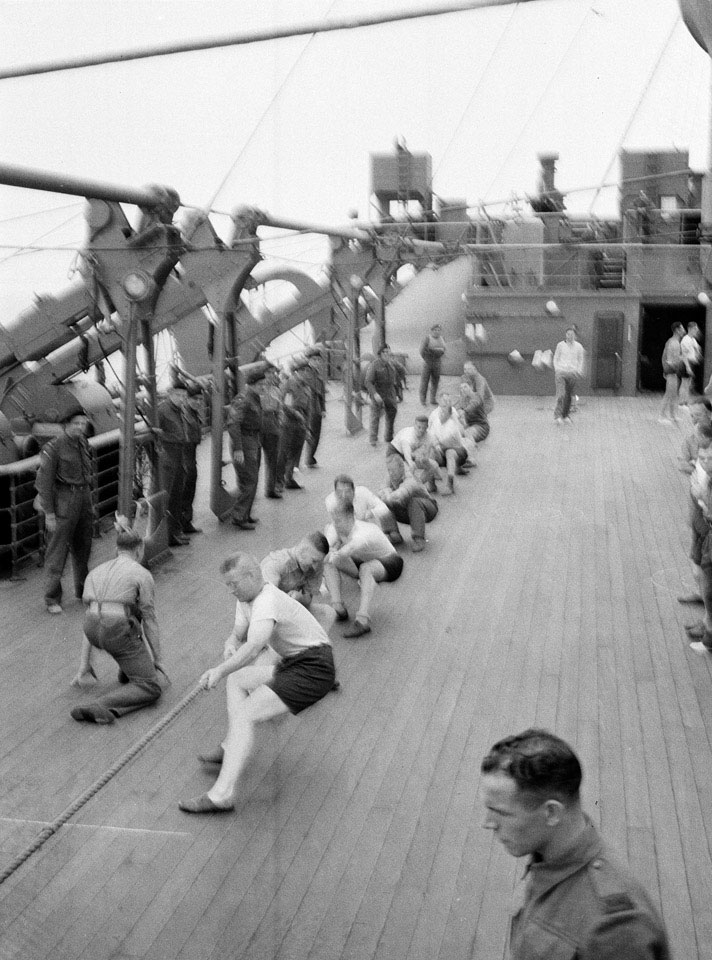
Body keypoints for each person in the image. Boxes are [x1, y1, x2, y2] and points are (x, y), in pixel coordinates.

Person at [480, 728, 671, 959]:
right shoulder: (547, 857)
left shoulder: (614, 927)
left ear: (551, 812)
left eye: (500, 812)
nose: (488, 823)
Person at [179, 553, 337, 813]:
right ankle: (232, 746)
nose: (230, 590)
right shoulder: (246, 599)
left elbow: (254, 648)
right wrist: (230, 643)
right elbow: (239, 634)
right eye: (227, 585)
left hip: (313, 668)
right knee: (238, 680)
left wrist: (218, 670)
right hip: (294, 663)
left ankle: (222, 795)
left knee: (245, 714)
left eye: (234, 584)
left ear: (252, 576)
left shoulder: (267, 599)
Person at [70, 528, 164, 724]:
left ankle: (128, 670)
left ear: (117, 549)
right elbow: (150, 619)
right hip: (117, 632)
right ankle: (101, 704)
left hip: (93, 629)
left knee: (118, 613)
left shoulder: (95, 572)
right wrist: (158, 659)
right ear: (139, 549)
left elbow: (93, 615)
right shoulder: (141, 573)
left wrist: (84, 665)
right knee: (150, 686)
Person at [35, 408, 94, 614]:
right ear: (66, 425)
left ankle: (83, 589)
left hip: (83, 498)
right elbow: (43, 483)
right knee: (57, 550)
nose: (80, 427)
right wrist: (49, 513)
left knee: (83, 546)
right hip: (64, 500)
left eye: (82, 423)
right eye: (76, 424)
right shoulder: (53, 447)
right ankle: (52, 598)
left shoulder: (83, 443)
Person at [323, 502, 404, 638]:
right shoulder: (335, 527)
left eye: (339, 520)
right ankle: (338, 607)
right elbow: (325, 548)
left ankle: (362, 621)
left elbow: (348, 550)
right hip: (363, 562)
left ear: (350, 518)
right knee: (330, 562)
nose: (335, 524)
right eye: (333, 520)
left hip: (391, 562)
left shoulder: (363, 532)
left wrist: (332, 553)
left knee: (366, 568)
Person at [261, 532, 336, 631]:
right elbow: (266, 603)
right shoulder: (276, 564)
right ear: (301, 552)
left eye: (319, 561)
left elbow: (308, 599)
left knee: (328, 613)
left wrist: (300, 597)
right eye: (314, 561)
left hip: (286, 609)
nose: (316, 566)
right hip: (265, 614)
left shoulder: (316, 564)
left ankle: (315, 644)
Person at [226, 368, 263, 530]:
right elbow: (233, 424)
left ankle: (245, 513)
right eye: (260, 384)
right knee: (248, 480)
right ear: (251, 384)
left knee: (252, 479)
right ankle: (239, 516)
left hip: (253, 441)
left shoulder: (254, 398)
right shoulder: (242, 400)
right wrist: (238, 449)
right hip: (244, 442)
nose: (263, 387)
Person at [378, 455, 438, 552]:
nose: (391, 473)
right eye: (389, 470)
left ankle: (419, 538)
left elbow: (401, 493)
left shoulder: (410, 478)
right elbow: (381, 491)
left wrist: (387, 494)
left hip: (428, 508)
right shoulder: (389, 477)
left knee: (413, 502)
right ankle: (393, 534)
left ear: (401, 468)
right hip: (406, 510)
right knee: (382, 503)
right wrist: (385, 493)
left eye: (393, 470)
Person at [156, 384, 190, 545]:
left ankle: (176, 531)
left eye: (184, 396)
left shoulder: (178, 410)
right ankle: (168, 535)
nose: (182, 399)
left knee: (177, 494)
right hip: (167, 457)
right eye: (178, 395)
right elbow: (155, 433)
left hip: (179, 455)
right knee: (168, 497)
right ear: (169, 394)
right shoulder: (162, 410)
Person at [325, 473, 400, 543]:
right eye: (339, 492)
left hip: (365, 527)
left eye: (347, 491)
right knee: (331, 539)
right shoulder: (330, 502)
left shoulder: (363, 492)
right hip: (346, 531)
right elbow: (338, 527)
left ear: (354, 490)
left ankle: (390, 533)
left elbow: (384, 508)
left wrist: (371, 513)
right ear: (335, 492)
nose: (343, 495)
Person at [428, 392, 471, 496]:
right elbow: (431, 435)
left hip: (458, 451)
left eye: (444, 412)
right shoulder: (435, 417)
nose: (441, 414)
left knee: (450, 452)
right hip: (441, 450)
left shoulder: (452, 423)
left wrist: (438, 445)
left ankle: (450, 485)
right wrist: (434, 445)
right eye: (441, 412)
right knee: (431, 452)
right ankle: (431, 484)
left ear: (449, 414)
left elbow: (450, 441)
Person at [277, 360, 311, 490]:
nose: (307, 374)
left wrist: (307, 427)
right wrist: (294, 413)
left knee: (295, 452)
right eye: (305, 371)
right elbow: (281, 402)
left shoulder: (306, 387)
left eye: (308, 372)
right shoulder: (289, 383)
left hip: (300, 423)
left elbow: (308, 409)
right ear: (299, 372)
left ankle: (288, 478)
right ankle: (278, 482)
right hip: (287, 421)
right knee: (283, 452)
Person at [364, 343, 405, 447]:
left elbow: (401, 371)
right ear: (380, 353)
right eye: (384, 352)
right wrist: (374, 394)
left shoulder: (391, 363)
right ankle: (373, 439)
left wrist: (397, 389)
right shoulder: (374, 365)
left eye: (388, 351)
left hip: (390, 392)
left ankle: (389, 436)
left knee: (392, 413)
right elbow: (368, 382)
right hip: (379, 392)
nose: (387, 354)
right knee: (375, 416)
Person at [388, 414, 441, 493]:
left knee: (433, 465)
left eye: (424, 428)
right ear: (414, 426)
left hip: (410, 454)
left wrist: (435, 450)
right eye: (419, 427)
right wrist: (410, 463)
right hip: (395, 452)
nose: (421, 430)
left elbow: (434, 449)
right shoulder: (408, 436)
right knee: (403, 475)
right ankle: (399, 490)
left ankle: (417, 487)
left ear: (427, 427)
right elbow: (407, 452)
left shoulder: (429, 436)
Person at [180, 381, 204, 535]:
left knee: (189, 489)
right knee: (185, 490)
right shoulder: (184, 414)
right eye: (195, 399)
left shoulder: (192, 413)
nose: (198, 402)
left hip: (191, 455)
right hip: (184, 456)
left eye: (200, 399)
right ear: (187, 399)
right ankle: (182, 524)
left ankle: (186, 522)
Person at [258, 363, 283, 499]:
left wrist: (279, 424)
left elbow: (279, 409)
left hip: (272, 424)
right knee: (254, 461)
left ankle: (270, 489)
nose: (271, 376)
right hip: (257, 424)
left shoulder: (276, 390)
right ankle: (250, 493)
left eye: (273, 373)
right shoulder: (255, 390)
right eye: (268, 373)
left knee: (272, 458)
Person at [553, 327, 585, 424]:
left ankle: (565, 415)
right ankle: (557, 415)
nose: (570, 336)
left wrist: (578, 370)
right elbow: (556, 358)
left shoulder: (579, 347)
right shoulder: (560, 345)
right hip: (561, 373)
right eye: (568, 334)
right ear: (565, 335)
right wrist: (557, 369)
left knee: (569, 396)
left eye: (572, 334)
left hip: (572, 373)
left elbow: (581, 359)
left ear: (575, 336)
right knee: (561, 394)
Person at [302, 347, 327, 468]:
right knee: (312, 433)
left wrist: (323, 409)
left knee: (316, 433)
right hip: (309, 407)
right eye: (314, 359)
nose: (317, 362)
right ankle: (308, 458)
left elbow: (321, 394)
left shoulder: (317, 374)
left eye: (318, 360)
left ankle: (310, 457)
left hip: (317, 407)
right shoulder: (307, 374)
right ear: (309, 360)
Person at [659, 322, 685, 424]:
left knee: (673, 394)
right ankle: (661, 416)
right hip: (671, 371)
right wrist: (680, 361)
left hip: (672, 371)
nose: (684, 330)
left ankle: (672, 415)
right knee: (669, 394)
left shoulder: (674, 342)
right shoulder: (673, 342)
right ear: (677, 330)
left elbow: (665, 357)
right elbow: (669, 360)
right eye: (682, 328)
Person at [455, 380, 491, 446]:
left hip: (481, 426)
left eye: (465, 387)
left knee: (467, 433)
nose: (463, 390)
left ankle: (472, 450)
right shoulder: (463, 399)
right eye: (461, 388)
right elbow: (455, 408)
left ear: (471, 387)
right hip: (468, 425)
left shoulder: (477, 396)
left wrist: (464, 411)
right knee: (453, 434)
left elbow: (473, 404)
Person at [419, 322, 446, 406]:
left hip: (437, 362)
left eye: (438, 330)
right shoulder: (427, 338)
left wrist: (438, 353)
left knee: (435, 382)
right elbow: (422, 351)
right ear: (431, 330)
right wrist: (427, 359)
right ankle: (423, 400)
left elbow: (444, 349)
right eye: (435, 330)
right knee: (425, 382)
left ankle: (433, 399)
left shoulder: (442, 338)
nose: (437, 332)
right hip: (428, 362)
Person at [679, 320, 702, 405]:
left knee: (688, 384)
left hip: (691, 363)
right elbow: (684, 354)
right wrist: (688, 367)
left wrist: (697, 354)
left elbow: (697, 349)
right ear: (690, 329)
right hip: (686, 363)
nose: (696, 331)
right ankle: (682, 402)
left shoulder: (693, 340)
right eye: (695, 329)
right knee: (684, 383)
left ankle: (685, 401)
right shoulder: (686, 340)